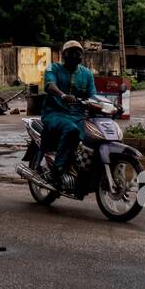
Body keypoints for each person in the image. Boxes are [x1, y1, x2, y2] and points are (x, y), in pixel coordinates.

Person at [38, 40, 97, 189]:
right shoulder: (54, 67)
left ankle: (82, 170)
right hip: (55, 113)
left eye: (78, 53)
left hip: (77, 115)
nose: (76, 55)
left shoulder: (86, 74)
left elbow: (94, 96)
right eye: (72, 52)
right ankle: (57, 170)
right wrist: (62, 95)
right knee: (72, 130)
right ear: (64, 55)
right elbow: (50, 85)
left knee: (94, 137)